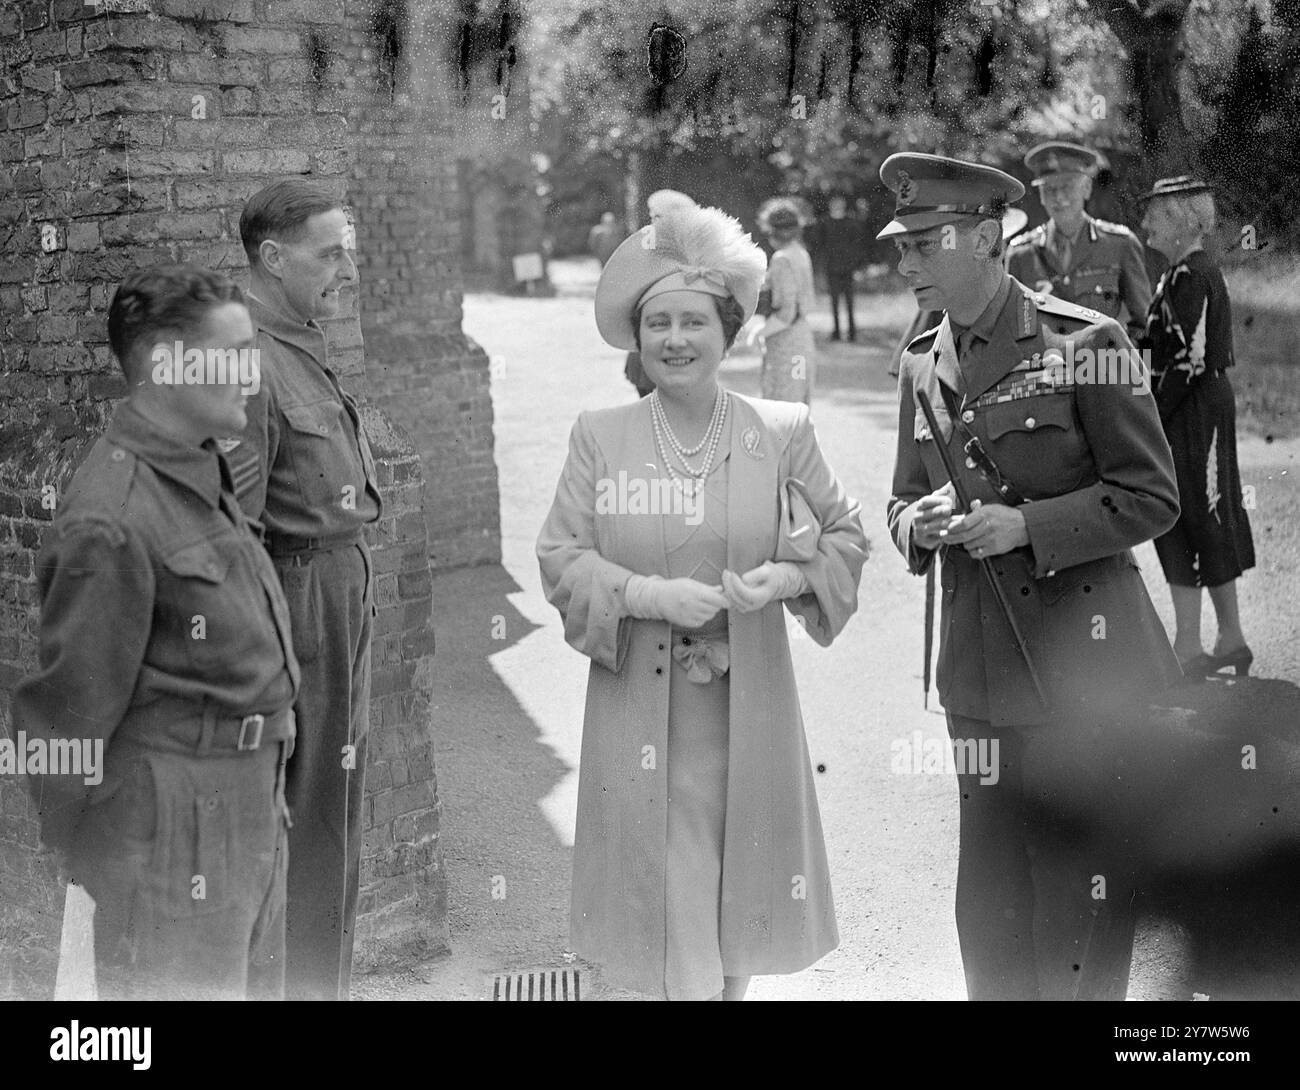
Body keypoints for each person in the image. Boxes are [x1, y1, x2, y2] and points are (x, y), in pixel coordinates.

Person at [537, 201, 868, 1001]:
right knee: (674, 879)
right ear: (637, 338)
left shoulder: (780, 429)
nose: (675, 340)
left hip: (747, 705)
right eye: (657, 324)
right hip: (642, 709)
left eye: (692, 322)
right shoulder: (601, 434)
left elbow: (847, 535)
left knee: (740, 883)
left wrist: (789, 579)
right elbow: (559, 556)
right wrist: (646, 593)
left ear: (729, 333)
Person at [882, 153, 1183, 1000]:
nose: (906, 267)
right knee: (991, 898)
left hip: (1083, 667)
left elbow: (1151, 497)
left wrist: (1029, 526)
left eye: (923, 245)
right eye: (899, 249)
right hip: (978, 673)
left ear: (986, 239)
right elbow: (899, 503)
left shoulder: (1087, 342)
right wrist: (923, 522)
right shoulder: (921, 362)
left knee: (1080, 896)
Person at [10, 265, 299, 999]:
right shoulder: (113, 515)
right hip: (173, 841)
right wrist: (114, 866)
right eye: (233, 357)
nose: (252, 377)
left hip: (242, 807)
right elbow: (62, 723)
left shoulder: (199, 466)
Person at [231, 179, 382, 1001]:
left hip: (335, 592)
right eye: (329, 252)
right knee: (308, 821)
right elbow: (235, 535)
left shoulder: (295, 340)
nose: (344, 268)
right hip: (297, 608)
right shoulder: (249, 360)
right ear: (272, 255)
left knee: (335, 811)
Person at [1138, 176, 1255, 677]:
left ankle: (1228, 638)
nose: (1145, 224)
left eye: (1156, 216)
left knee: (1206, 511)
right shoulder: (1175, 275)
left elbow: (1189, 359)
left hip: (1196, 407)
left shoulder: (1195, 274)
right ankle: (1191, 644)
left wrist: (1152, 414)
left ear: (1185, 221)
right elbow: (1154, 345)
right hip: (1181, 405)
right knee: (1180, 514)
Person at [1007, 142, 1152, 339]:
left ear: (1086, 188)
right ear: (1040, 195)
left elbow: (1144, 324)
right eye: (1049, 189)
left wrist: (1121, 362)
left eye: (1067, 187)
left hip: (1101, 366)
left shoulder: (1120, 245)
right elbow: (1014, 330)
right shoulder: (1020, 255)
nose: (1058, 197)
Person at [888, 207, 1029, 379]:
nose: (905, 266)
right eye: (902, 247)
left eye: (926, 244)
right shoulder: (941, 294)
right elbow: (910, 367)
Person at [624, 189, 701, 399]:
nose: (653, 222)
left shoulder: (691, 253)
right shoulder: (647, 250)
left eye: (658, 216)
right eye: (653, 216)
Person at [752, 197, 817, 405]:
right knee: (799, 407)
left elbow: (786, 313)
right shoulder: (801, 253)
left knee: (781, 410)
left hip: (786, 344)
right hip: (803, 339)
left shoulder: (781, 259)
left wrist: (758, 333)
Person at [815, 195, 866, 341]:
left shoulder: (851, 223)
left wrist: (857, 266)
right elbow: (820, 245)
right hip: (832, 268)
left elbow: (857, 245)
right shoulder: (824, 222)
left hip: (848, 268)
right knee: (834, 302)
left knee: (849, 302)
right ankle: (836, 332)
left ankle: (852, 333)